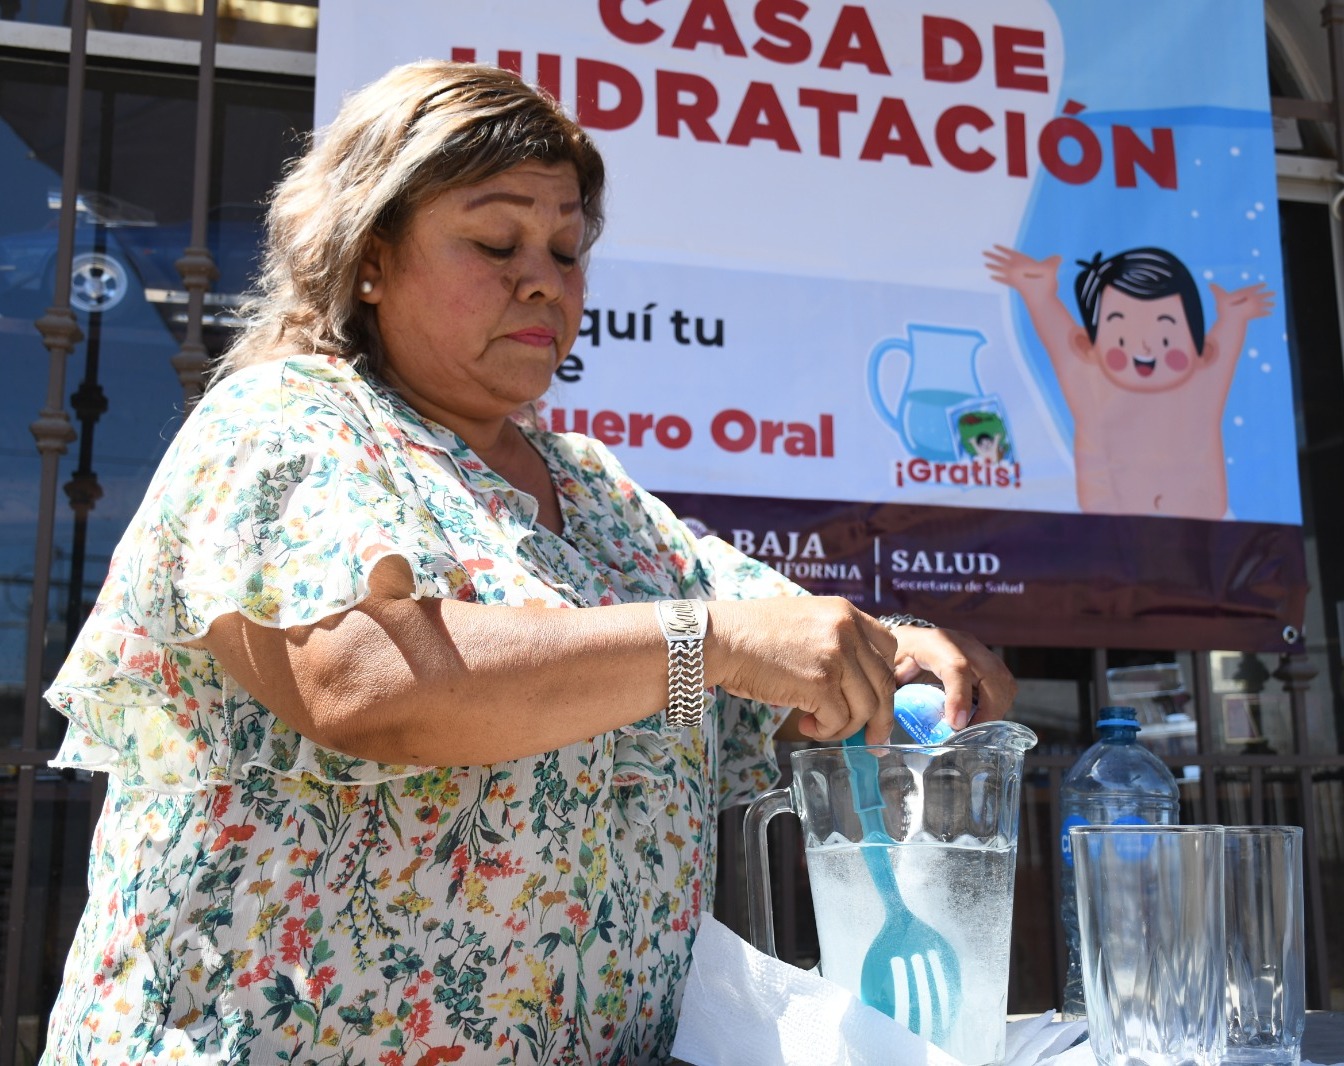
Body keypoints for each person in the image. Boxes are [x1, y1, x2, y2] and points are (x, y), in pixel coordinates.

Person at [42, 60, 1015, 1065]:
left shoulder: (592, 490)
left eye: (566, 249)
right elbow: (366, 681)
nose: (543, 278)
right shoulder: (284, 420)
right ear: (368, 256)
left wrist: (893, 654)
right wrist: (707, 645)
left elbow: (753, 653)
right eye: (496, 242)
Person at [984, 244, 1273, 519]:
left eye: (1165, 339)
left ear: (1203, 351)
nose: (1145, 349)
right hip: (1109, 528)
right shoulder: (1089, 381)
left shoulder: (1202, 383)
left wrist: (1234, 317)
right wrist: (1039, 296)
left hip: (1204, 530)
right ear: (1086, 346)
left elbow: (1224, 346)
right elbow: (1059, 338)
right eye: (1122, 340)